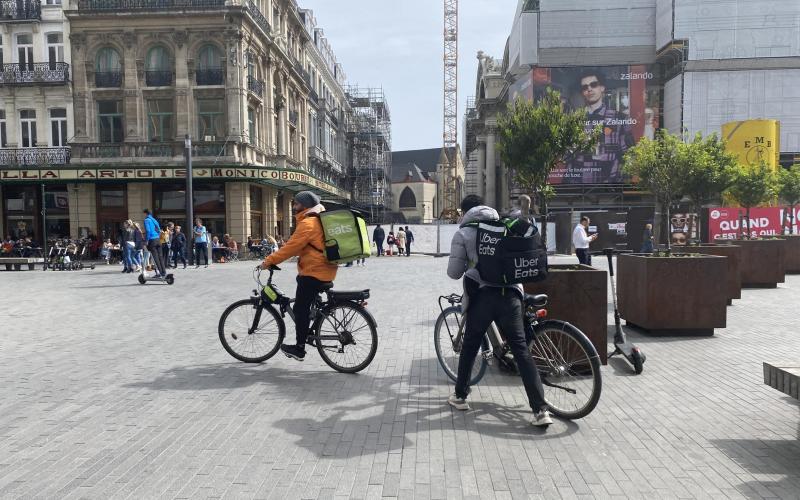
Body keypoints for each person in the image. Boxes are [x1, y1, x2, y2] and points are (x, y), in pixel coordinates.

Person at [446, 194, 552, 427]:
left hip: (483, 297)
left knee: (470, 346)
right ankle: (540, 410)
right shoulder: (506, 226)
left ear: (465, 213)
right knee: (521, 350)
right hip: (512, 296)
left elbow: (454, 272)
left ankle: (461, 396)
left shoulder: (464, 232)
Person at [259, 191, 338, 361]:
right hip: (324, 270)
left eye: (296, 204)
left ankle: (299, 348)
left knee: (299, 309)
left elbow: (290, 248)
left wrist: (268, 261)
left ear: (305, 205)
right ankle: (312, 321)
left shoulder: (308, 223)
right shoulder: (319, 219)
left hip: (314, 272)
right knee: (304, 293)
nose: (294, 207)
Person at [571, 72, 635, 184]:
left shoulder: (619, 118)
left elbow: (628, 155)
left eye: (593, 84)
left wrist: (617, 180)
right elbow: (567, 156)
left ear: (602, 88)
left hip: (610, 188)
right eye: (585, 87)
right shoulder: (574, 120)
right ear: (582, 92)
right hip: (577, 187)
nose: (589, 89)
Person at [143, 209, 167, 277]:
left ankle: (160, 273)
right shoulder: (154, 220)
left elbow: (148, 231)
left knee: (155, 258)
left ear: (146, 214)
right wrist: (157, 236)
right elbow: (159, 229)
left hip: (151, 240)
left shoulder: (146, 220)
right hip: (158, 240)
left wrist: (146, 241)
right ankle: (164, 272)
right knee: (160, 257)